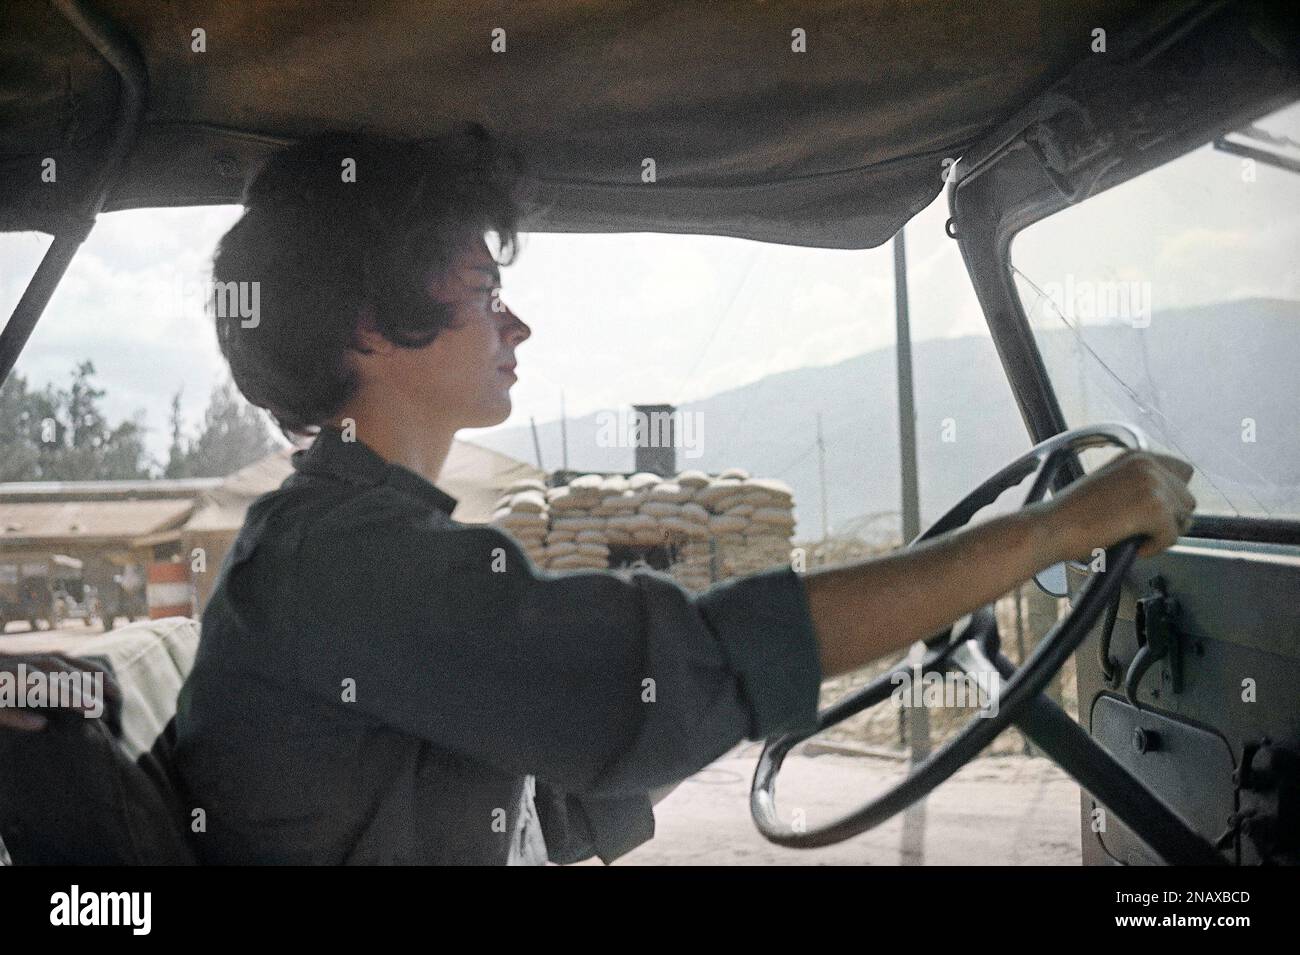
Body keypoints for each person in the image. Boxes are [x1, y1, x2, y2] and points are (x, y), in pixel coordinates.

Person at [172, 127, 1196, 865]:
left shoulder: (350, 542)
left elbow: (556, 771)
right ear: (368, 328)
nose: (515, 327)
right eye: (486, 294)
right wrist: (1060, 527)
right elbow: (674, 673)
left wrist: (696, 700)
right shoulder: (344, 561)